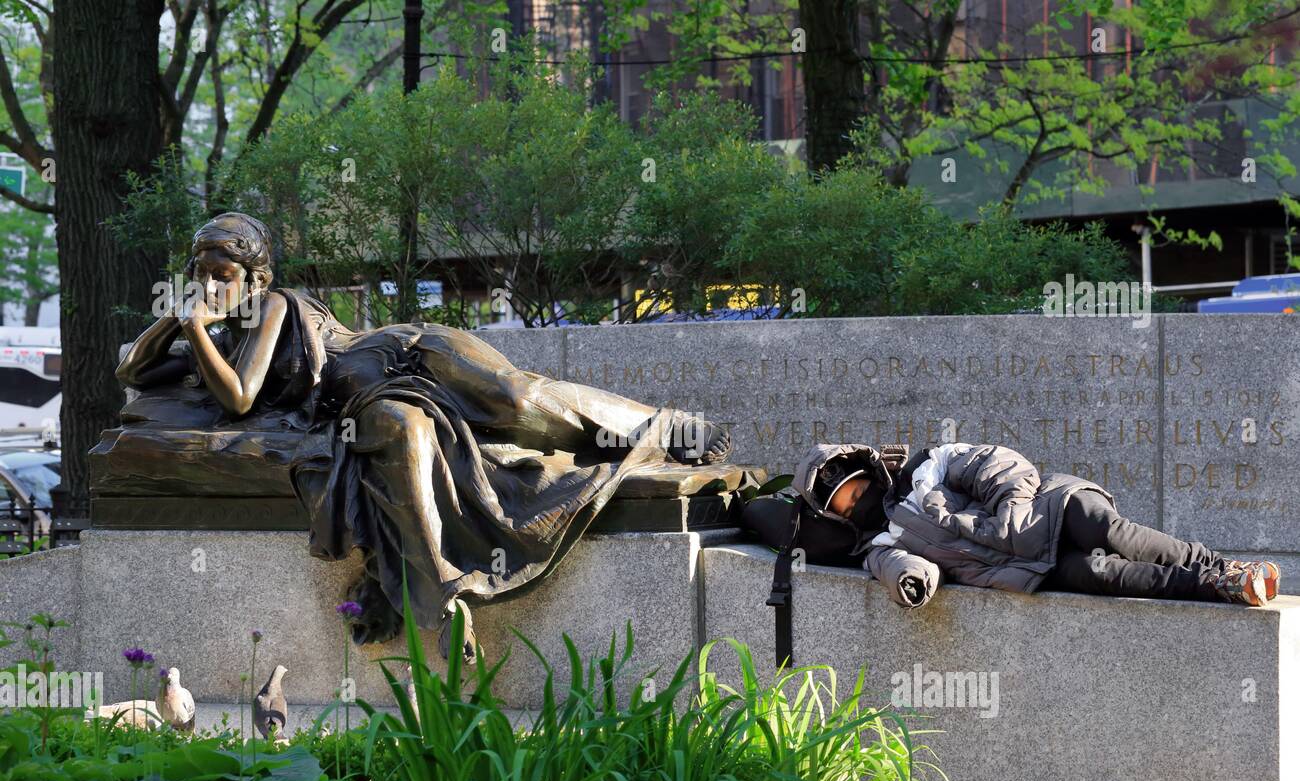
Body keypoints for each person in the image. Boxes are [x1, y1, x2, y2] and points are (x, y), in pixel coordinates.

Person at [116, 212, 733, 660]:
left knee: (519, 400)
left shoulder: (274, 306)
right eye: (200, 273)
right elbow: (133, 372)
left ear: (256, 277)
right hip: (370, 403)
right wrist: (180, 318)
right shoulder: (213, 338)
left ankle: (665, 426)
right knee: (454, 426)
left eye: (223, 273)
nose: (211, 285)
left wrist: (193, 326)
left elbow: (242, 395)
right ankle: (439, 593)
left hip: (405, 356)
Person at [818, 442, 1280, 606]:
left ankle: (1219, 565)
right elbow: (898, 564)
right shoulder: (878, 543)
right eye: (845, 509)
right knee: (1104, 575)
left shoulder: (927, 469)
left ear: (870, 475)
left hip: (1052, 506)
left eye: (857, 494)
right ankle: (1217, 587)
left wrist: (1011, 513)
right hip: (1031, 569)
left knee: (1112, 533)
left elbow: (997, 464)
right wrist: (910, 579)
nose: (858, 506)